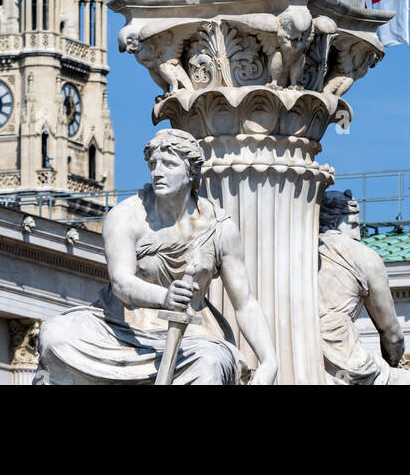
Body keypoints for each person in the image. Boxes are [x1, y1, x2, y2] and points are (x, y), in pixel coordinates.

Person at [38, 129, 277, 385]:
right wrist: (164, 296)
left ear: (191, 172)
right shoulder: (126, 216)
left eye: (170, 164)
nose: (158, 172)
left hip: (190, 334)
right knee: (55, 335)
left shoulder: (220, 229)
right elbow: (121, 282)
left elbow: (245, 303)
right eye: (153, 164)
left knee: (211, 362)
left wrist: (268, 360)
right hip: (119, 326)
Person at [318, 190, 410, 385]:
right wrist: (391, 365)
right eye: (354, 226)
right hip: (346, 363)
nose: (358, 235)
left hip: (302, 357)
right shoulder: (363, 256)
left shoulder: (298, 251)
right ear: (340, 222)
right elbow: (392, 335)